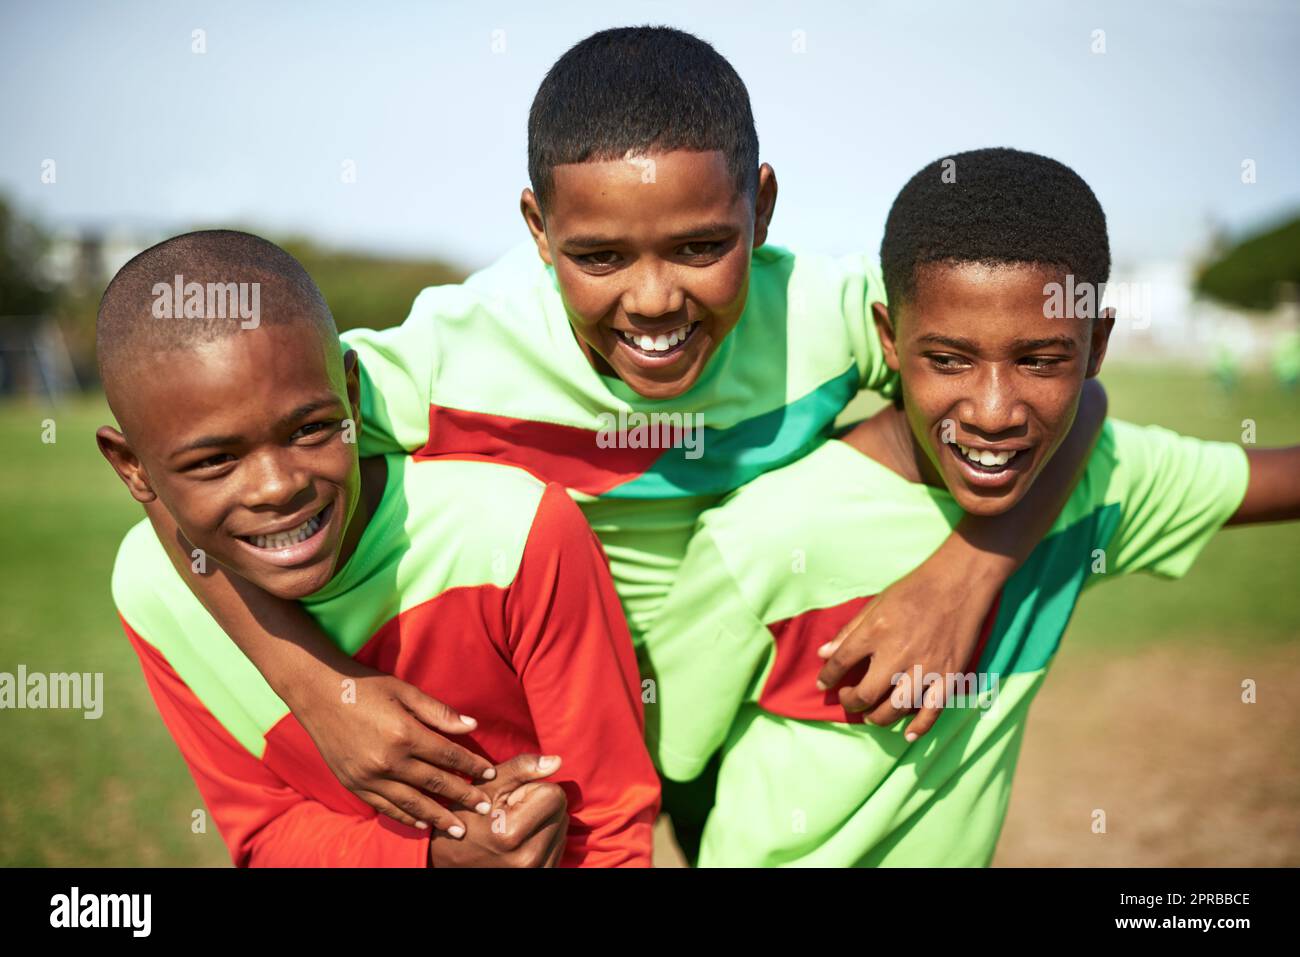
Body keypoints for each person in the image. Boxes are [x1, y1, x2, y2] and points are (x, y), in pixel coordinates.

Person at [143, 28, 1106, 857]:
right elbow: (202, 475)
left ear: (760, 209)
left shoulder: (835, 313)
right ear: (538, 227)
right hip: (564, 719)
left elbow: (1067, 395)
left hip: (747, 697)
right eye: (600, 257)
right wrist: (318, 687)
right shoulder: (446, 356)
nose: (653, 302)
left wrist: (966, 572)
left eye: (700, 247)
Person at [643, 147, 1300, 866]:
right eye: (949, 359)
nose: (993, 412)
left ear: (1096, 345)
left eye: (1041, 360)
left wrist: (970, 571)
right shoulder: (763, 536)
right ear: (889, 338)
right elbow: (672, 769)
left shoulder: (1100, 481)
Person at [97, 230, 659, 866]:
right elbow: (261, 836)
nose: (279, 488)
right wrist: (429, 856)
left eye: (309, 429)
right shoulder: (152, 590)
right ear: (131, 468)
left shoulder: (514, 531)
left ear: (353, 399)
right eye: (216, 460)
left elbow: (609, 827)